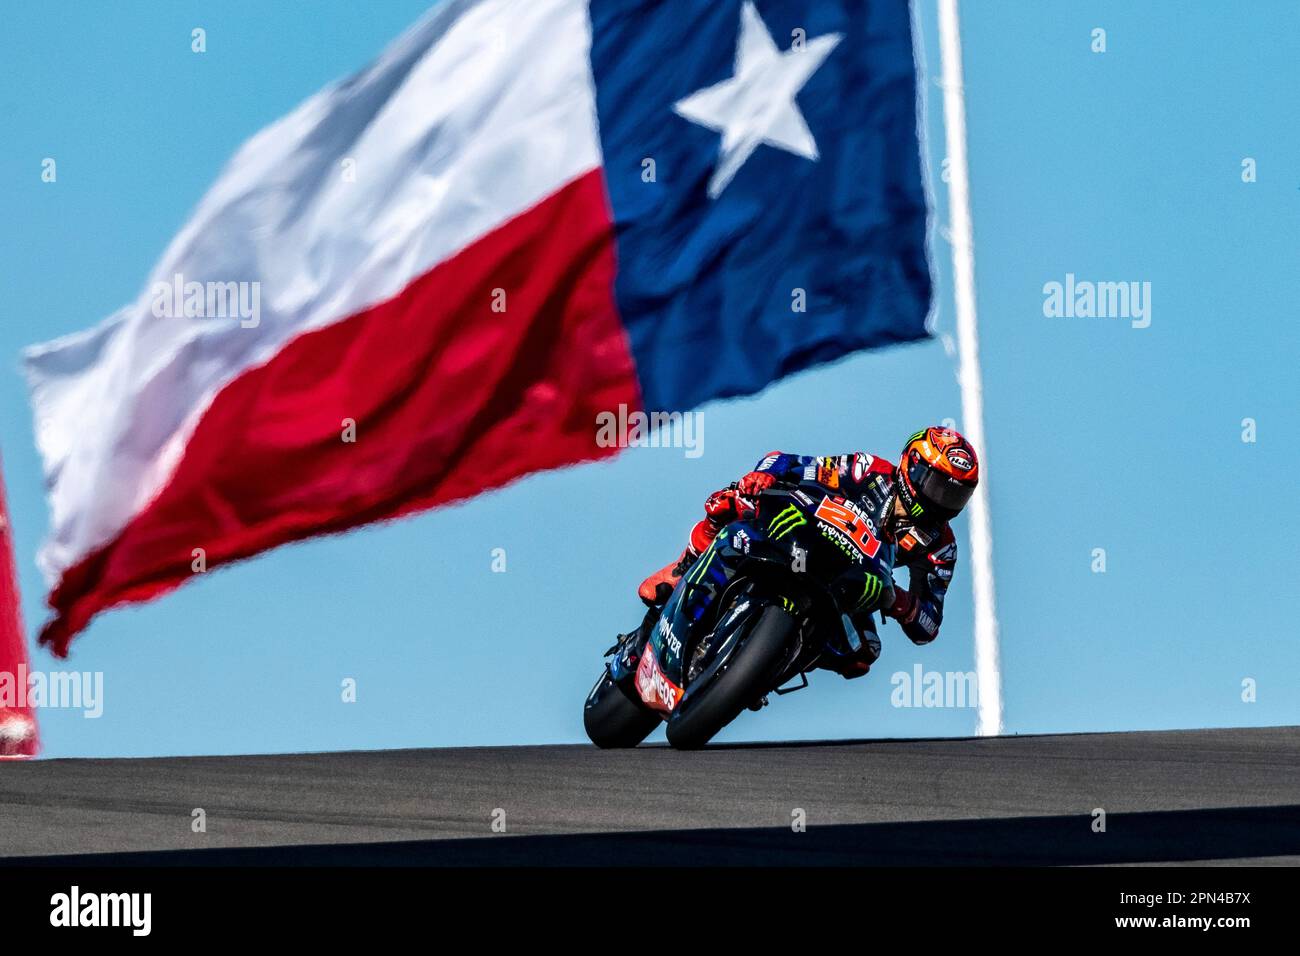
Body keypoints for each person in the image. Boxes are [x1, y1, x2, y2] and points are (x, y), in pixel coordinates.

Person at [627, 427, 980, 678]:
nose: (942, 502)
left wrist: (899, 602)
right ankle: (686, 564)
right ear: (912, 468)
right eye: (938, 487)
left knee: (863, 653)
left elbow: (929, 624)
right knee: (730, 504)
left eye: (955, 496)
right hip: (802, 538)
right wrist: (763, 477)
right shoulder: (868, 471)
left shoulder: (940, 546)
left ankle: (770, 664)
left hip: (851, 582)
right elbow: (790, 462)